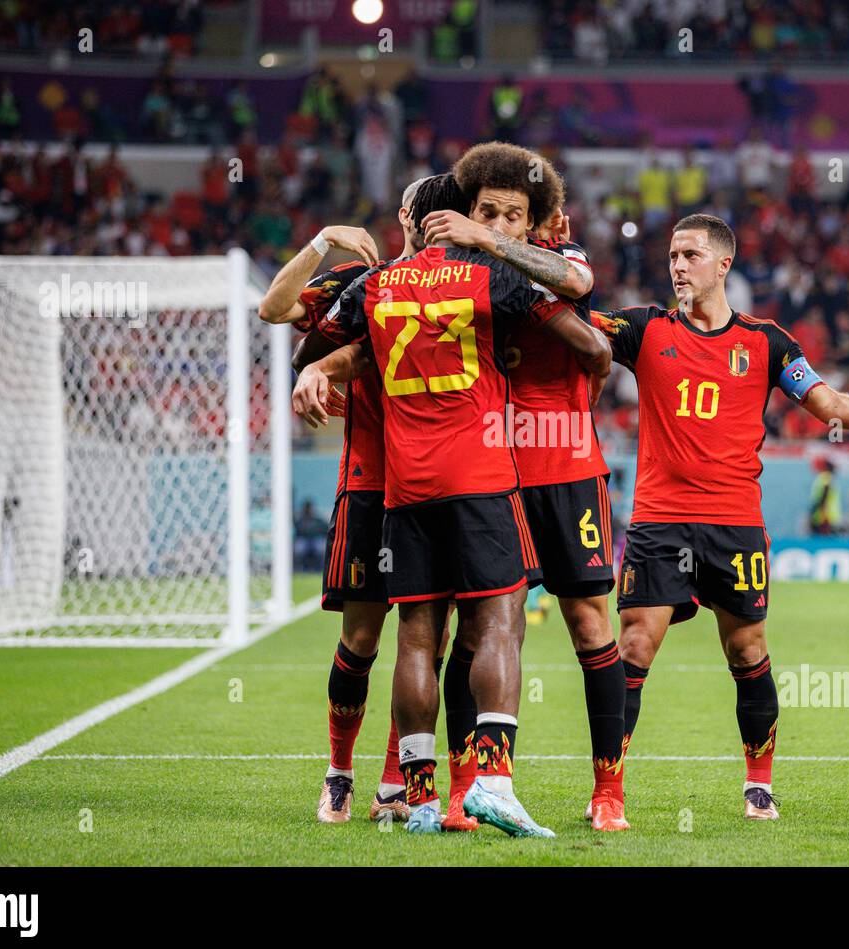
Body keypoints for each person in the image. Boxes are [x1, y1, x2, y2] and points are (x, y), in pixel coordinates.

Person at [594, 214, 849, 821]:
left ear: (724, 264)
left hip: (735, 524)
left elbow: (829, 405)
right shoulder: (644, 328)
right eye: (673, 255)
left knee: (747, 650)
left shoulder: (767, 341)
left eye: (692, 255)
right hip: (659, 521)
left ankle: (759, 784)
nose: (678, 265)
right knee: (634, 645)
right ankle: (607, 794)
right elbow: (576, 321)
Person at [295, 174, 612, 838]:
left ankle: (420, 798)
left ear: (415, 220)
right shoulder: (488, 279)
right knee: (499, 625)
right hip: (480, 472)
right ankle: (494, 782)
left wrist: (313, 373)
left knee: (416, 637)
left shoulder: (374, 285)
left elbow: (315, 352)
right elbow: (589, 338)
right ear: (461, 219)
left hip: (404, 486)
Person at [418, 141, 629, 830]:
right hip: (487, 475)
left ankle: (608, 792)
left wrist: (488, 241)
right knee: (478, 628)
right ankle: (462, 790)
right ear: (464, 210)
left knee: (590, 622)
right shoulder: (447, 278)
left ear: (537, 222)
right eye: (486, 212)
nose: (500, 225)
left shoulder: (560, 260)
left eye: (514, 215)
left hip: (566, 471)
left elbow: (579, 305)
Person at [257, 187, 405, 825]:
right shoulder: (363, 282)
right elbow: (274, 307)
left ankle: (397, 782)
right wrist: (323, 241)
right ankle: (340, 774)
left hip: (445, 487)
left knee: (428, 640)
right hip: (372, 484)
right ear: (403, 220)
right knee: (362, 638)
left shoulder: (476, 289)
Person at [808, 457, 841, 535]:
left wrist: (822, 514)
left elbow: (824, 495)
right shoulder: (828, 477)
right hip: (827, 515)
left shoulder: (825, 477)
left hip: (823, 516)